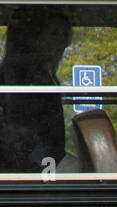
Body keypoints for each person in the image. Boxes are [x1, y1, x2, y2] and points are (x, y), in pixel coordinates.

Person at [0, 6, 71, 172]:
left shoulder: (36, 77)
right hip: (25, 171)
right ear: (33, 37)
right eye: (54, 34)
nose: (62, 43)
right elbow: (23, 135)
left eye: (64, 35)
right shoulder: (29, 81)